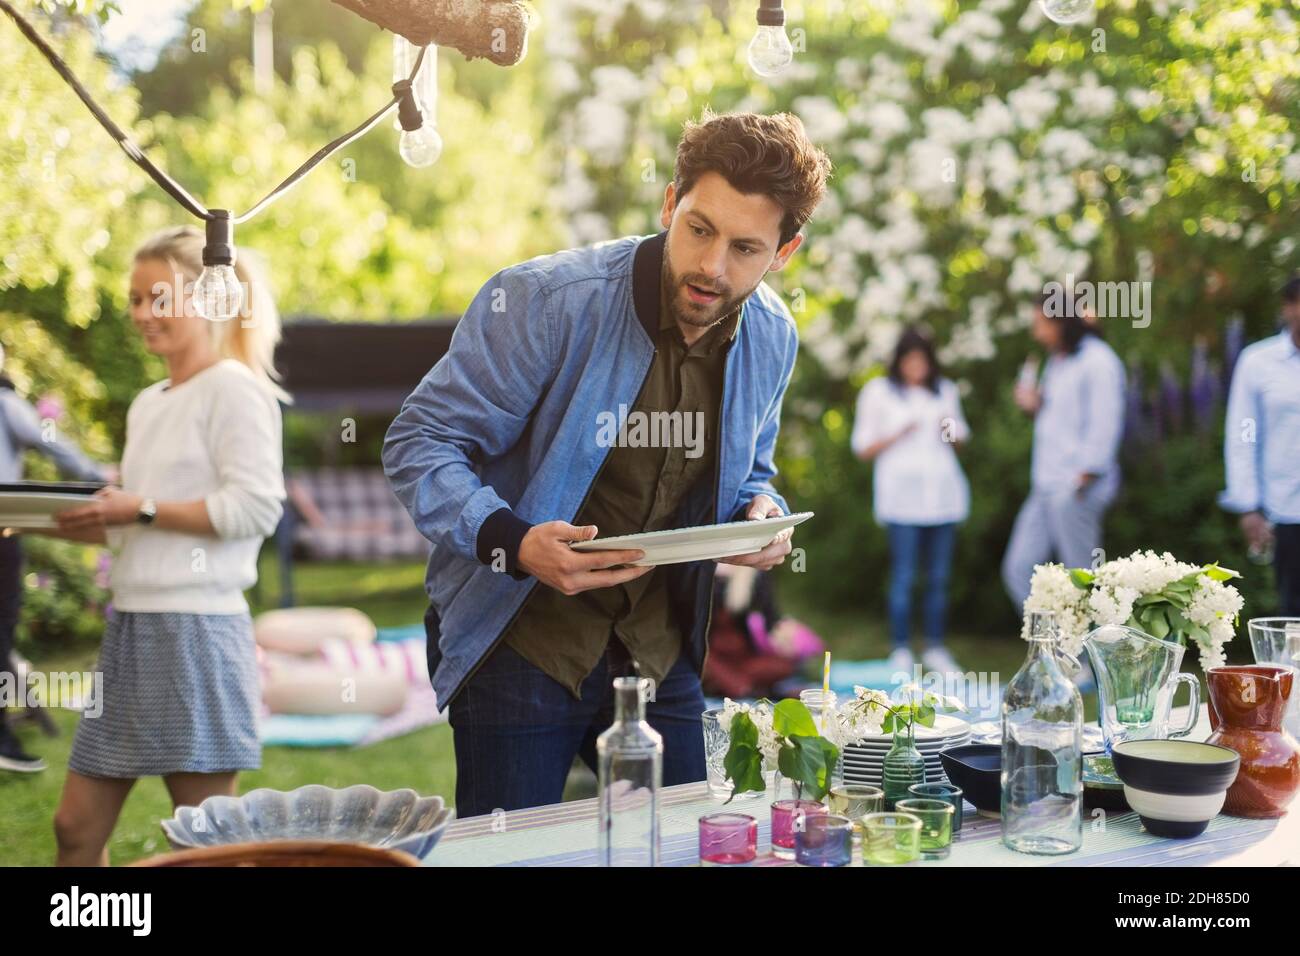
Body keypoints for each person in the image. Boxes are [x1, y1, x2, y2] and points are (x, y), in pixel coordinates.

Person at [384, 111, 831, 816]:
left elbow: (752, 474)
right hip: (521, 641)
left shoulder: (773, 334)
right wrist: (516, 543)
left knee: (688, 848)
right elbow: (421, 441)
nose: (712, 267)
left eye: (745, 247)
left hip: (662, 651)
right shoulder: (544, 301)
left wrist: (760, 515)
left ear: (786, 250)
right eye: (700, 228)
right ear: (668, 204)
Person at [34, 226, 287, 865]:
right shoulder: (147, 404)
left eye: (158, 298)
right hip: (132, 632)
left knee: (205, 841)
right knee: (74, 827)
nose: (143, 315)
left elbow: (256, 507)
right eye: (135, 300)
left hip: (197, 634)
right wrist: (71, 520)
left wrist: (138, 508)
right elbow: (144, 523)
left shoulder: (236, 389)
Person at [0, 345, 109, 774]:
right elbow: (54, 445)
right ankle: (2, 738)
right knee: (1, 628)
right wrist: (98, 479)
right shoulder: (6, 402)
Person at [851, 328, 970, 677]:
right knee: (903, 577)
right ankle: (900, 649)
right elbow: (862, 448)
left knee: (938, 578)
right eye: (910, 359)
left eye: (923, 360)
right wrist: (898, 432)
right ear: (899, 360)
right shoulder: (879, 392)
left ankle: (935, 648)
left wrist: (947, 428)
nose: (916, 366)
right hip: (901, 502)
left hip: (944, 499)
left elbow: (959, 441)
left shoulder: (944, 391)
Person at [1001, 289, 1126, 609]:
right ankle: (1057, 648)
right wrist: (1034, 405)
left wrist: (1084, 477)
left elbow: (1105, 422)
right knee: (1019, 569)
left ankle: (1086, 657)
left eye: (1041, 323)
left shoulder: (1098, 360)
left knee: (1083, 579)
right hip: (1045, 484)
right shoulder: (1056, 361)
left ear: (1062, 322)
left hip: (1077, 486)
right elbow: (1060, 417)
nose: (1036, 332)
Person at [1219, 275, 1300, 614]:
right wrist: (1248, 503)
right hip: (1286, 508)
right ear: (1287, 308)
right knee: (1293, 615)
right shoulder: (1259, 362)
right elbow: (1244, 433)